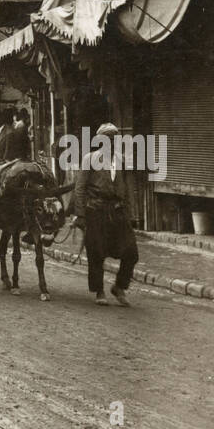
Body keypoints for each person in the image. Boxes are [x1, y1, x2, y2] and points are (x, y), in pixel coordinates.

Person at [73, 122, 139, 306]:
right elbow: (79, 188)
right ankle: (99, 291)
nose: (111, 142)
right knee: (96, 252)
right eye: (107, 138)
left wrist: (130, 214)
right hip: (96, 210)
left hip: (117, 212)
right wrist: (80, 215)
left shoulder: (121, 160)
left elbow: (127, 189)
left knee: (131, 252)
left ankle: (119, 286)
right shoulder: (90, 159)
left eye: (114, 138)